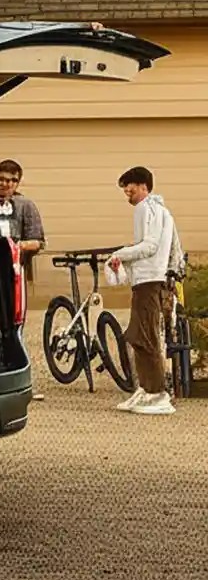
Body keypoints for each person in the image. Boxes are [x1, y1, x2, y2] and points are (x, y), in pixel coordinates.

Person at [107, 166, 183, 416]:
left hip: (149, 280)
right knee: (139, 334)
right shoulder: (162, 211)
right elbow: (170, 248)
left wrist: (120, 254)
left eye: (129, 186)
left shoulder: (145, 208)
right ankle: (146, 388)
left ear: (143, 186)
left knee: (145, 337)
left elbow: (149, 246)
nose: (126, 192)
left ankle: (157, 393)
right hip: (152, 279)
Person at [0, 159, 47, 400]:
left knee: (16, 326)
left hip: (15, 275)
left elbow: (38, 241)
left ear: (17, 182)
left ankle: (21, 380)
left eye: (11, 180)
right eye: (1, 179)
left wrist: (15, 247)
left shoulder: (26, 206)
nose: (5, 184)